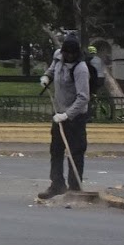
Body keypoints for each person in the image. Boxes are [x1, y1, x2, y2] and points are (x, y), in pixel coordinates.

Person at [38, 33, 90, 199]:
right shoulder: (58, 56)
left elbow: (83, 98)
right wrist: (47, 76)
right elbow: (53, 69)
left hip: (75, 117)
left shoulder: (81, 69)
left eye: (71, 54)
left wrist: (67, 115)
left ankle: (74, 188)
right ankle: (57, 184)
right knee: (56, 150)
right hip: (59, 112)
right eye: (65, 53)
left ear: (76, 54)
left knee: (75, 151)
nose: (67, 56)